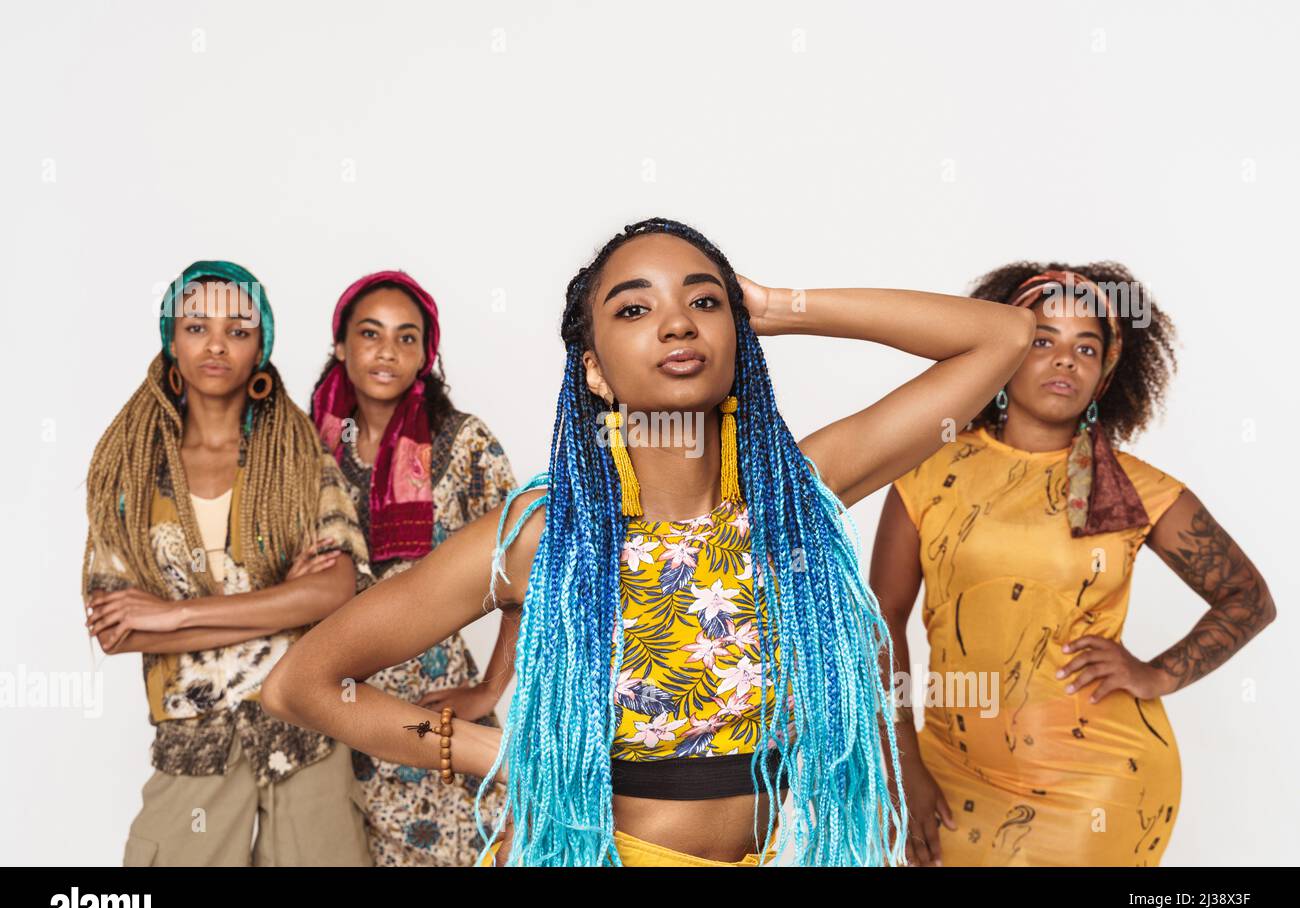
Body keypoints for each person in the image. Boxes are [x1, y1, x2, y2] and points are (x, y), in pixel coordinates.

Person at [262, 218, 1036, 866]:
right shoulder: (547, 536)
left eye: (705, 301)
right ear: (593, 369)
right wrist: (497, 753)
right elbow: (302, 683)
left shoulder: (799, 493)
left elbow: (1001, 337)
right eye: (634, 310)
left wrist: (771, 303)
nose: (676, 322)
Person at [869, 264, 1277, 866]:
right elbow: (879, 618)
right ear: (1001, 354)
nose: (1065, 360)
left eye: (1086, 347)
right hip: (948, 771)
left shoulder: (1137, 489)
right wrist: (902, 762)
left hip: (1098, 786)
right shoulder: (929, 466)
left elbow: (1249, 599)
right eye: (1042, 341)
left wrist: (1156, 675)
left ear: (1107, 371)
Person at [83, 260, 373, 866]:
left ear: (261, 348)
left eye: (238, 331)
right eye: (196, 327)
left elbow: (336, 591)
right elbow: (116, 629)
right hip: (195, 740)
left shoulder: (295, 458)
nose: (216, 344)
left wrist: (172, 616)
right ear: (171, 340)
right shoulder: (129, 469)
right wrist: (281, 608)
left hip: (304, 731)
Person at [310, 269, 520, 866]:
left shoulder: (462, 443)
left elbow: (529, 571)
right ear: (340, 345)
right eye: (370, 333)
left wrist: (489, 688)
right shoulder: (307, 449)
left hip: (432, 704)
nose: (387, 352)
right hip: (333, 705)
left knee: (475, 849)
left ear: (427, 354)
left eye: (408, 338)